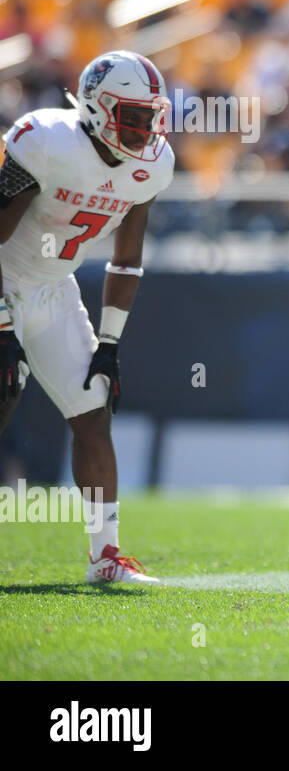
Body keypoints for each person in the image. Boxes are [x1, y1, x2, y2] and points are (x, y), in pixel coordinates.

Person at [0, 50, 175, 583]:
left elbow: (127, 258)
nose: (146, 129)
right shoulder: (47, 143)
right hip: (5, 276)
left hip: (53, 289)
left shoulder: (152, 164)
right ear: (98, 109)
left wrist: (110, 343)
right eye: (134, 115)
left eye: (151, 116)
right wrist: (3, 323)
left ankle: (106, 557)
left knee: (93, 410)